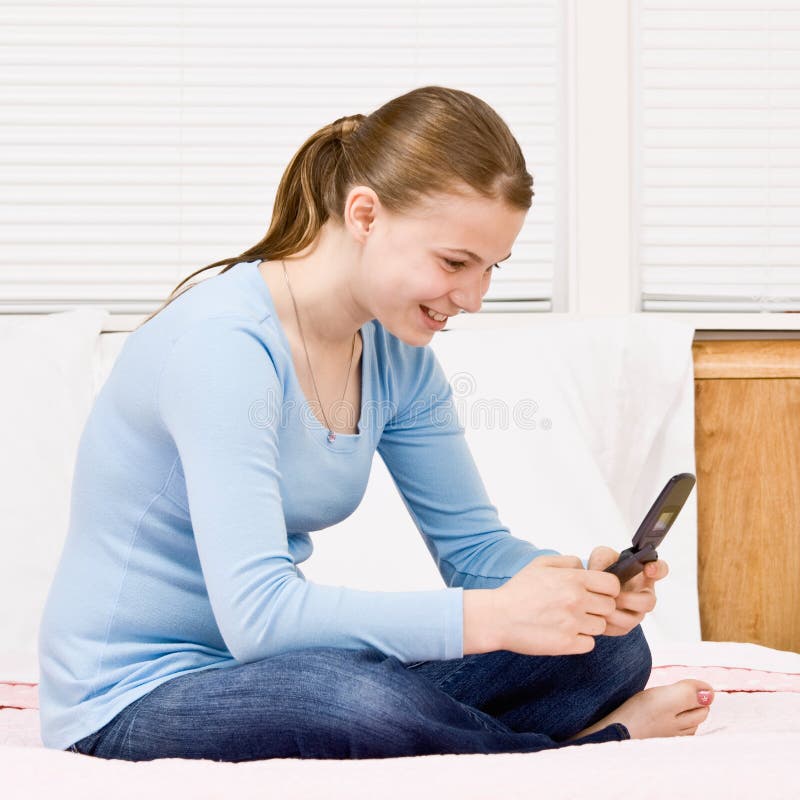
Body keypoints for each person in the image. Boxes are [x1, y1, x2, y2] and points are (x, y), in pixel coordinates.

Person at [37, 85, 714, 763]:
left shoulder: (394, 352)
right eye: (454, 263)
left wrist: (575, 589)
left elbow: (474, 551)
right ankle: (580, 749)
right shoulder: (224, 348)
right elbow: (260, 618)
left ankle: (471, 736)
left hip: (284, 673)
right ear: (365, 214)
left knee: (603, 649)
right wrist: (497, 618)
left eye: (489, 269)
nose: (473, 298)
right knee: (360, 704)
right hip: (137, 696)